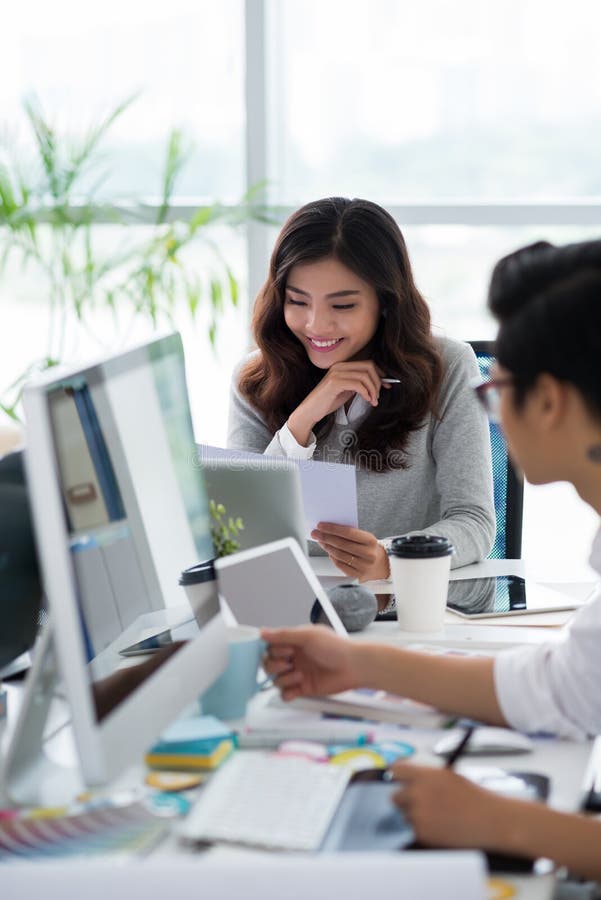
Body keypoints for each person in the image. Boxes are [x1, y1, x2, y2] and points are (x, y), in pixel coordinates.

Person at [262, 237, 601, 881]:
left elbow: (475, 523)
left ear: (550, 402)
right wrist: (355, 662)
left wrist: (501, 821)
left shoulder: (440, 368)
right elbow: (563, 690)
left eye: (495, 392)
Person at [228, 198, 495, 584]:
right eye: (297, 301)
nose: (316, 325)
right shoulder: (255, 377)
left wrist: (389, 558)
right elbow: (242, 531)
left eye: (343, 305)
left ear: (385, 302)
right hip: (294, 602)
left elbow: (474, 522)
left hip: (409, 605)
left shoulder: (448, 367)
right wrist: (303, 420)